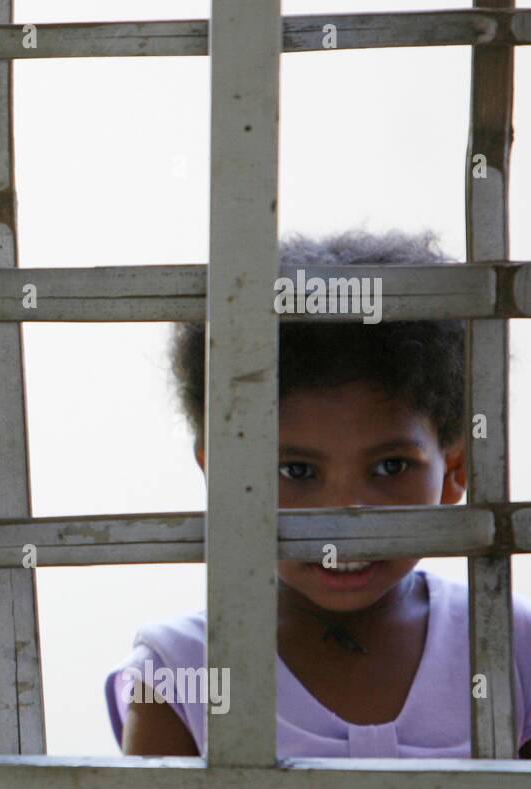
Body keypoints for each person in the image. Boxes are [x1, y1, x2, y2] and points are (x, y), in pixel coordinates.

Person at [106, 229, 531, 759]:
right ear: (223, 477)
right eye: (296, 470)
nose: (342, 515)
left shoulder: (513, 645)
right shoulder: (177, 672)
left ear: (455, 471)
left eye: (391, 466)